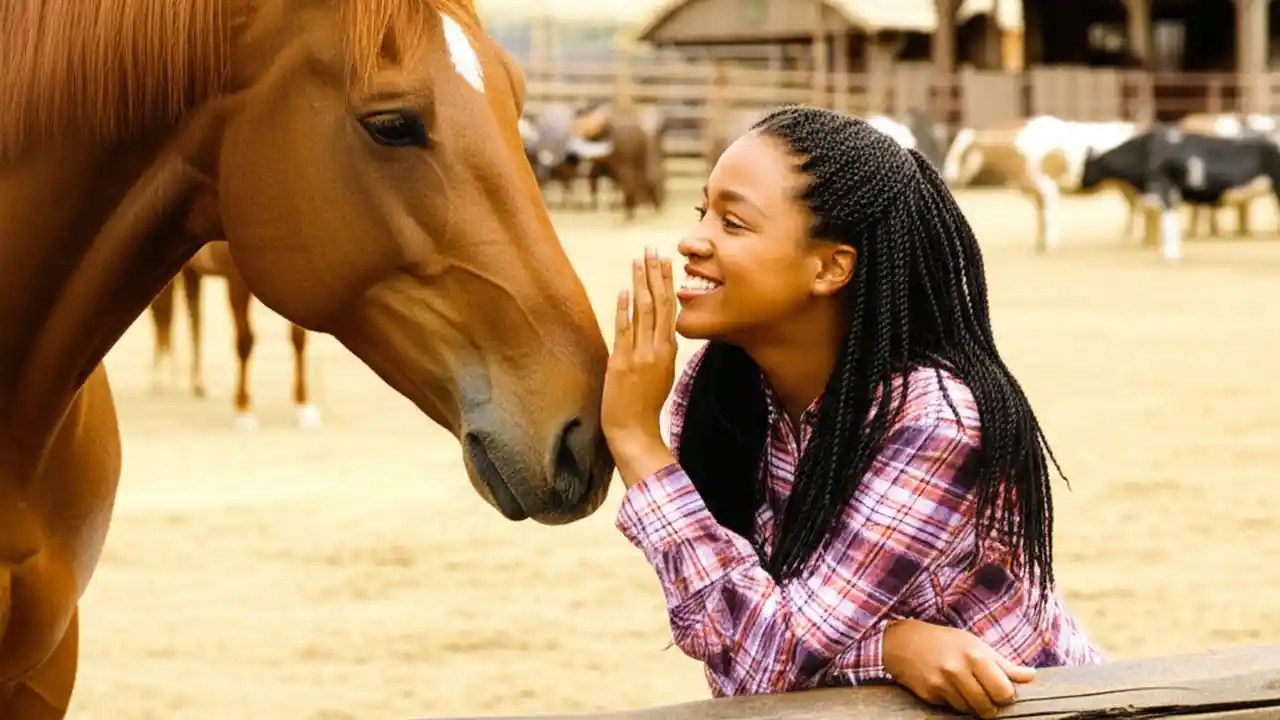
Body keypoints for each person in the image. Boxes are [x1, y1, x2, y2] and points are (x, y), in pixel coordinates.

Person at [599, 106, 1104, 719]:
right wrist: (891, 649)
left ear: (831, 267)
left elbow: (766, 659)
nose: (693, 240)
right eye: (701, 211)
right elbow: (725, 642)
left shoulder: (935, 420)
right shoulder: (716, 392)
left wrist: (636, 442)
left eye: (733, 222)